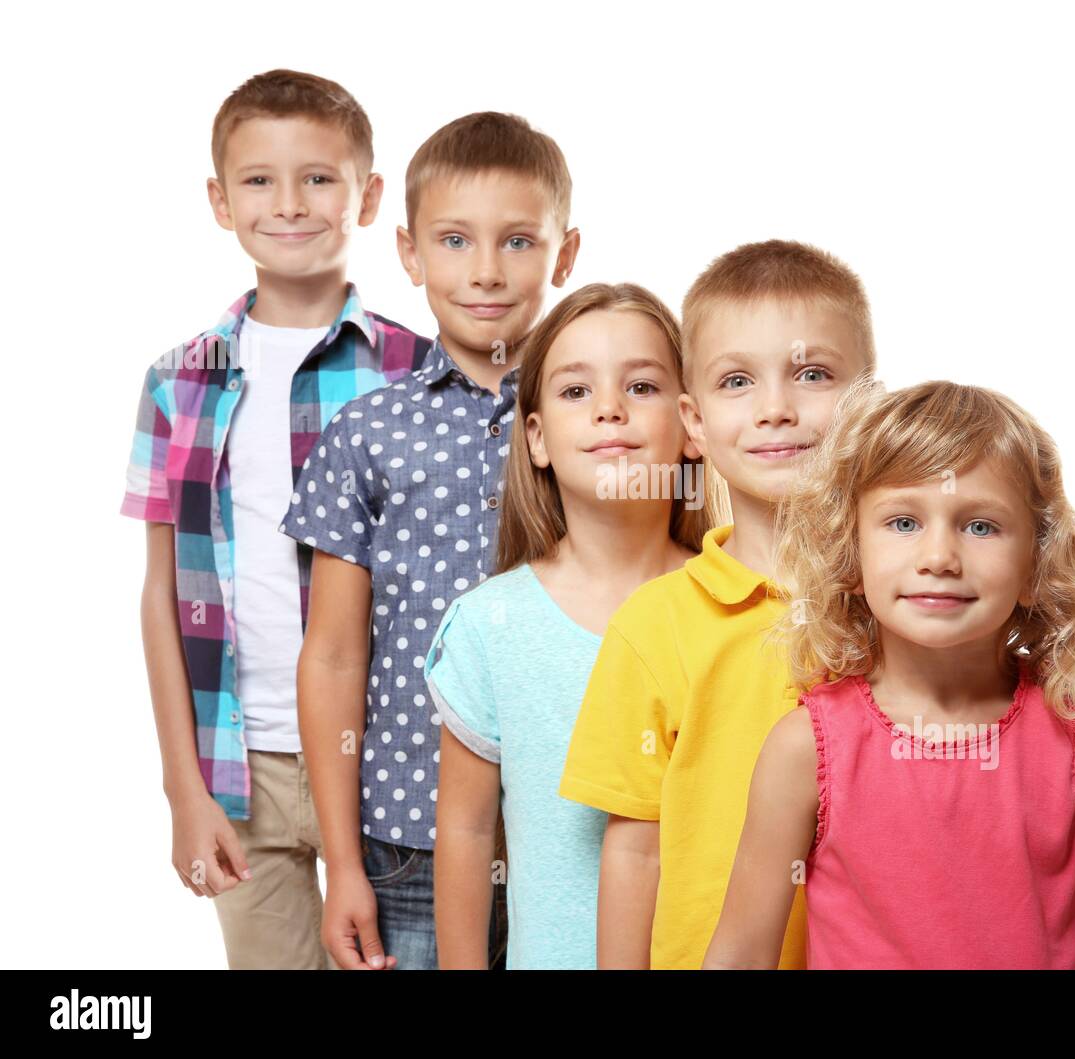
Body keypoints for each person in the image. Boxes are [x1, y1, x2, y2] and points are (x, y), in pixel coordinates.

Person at [704, 377, 1075, 969]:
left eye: (980, 526)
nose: (939, 557)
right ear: (850, 553)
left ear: (1036, 563)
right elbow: (740, 957)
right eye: (904, 523)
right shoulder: (805, 749)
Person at [121, 69, 430, 968]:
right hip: (238, 766)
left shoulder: (418, 370)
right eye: (258, 180)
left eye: (319, 178)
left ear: (367, 196)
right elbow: (161, 592)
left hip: (390, 760)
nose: (289, 203)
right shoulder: (176, 380)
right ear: (219, 201)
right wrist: (183, 784)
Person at [282, 112, 580, 969]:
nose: (486, 270)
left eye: (519, 241)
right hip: (407, 835)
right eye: (455, 240)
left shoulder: (596, 423)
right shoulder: (368, 432)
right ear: (410, 255)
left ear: (565, 254)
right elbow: (335, 656)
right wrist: (342, 861)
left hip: (569, 824)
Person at [559, 239, 876, 968]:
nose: (776, 409)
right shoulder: (654, 625)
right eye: (738, 381)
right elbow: (635, 850)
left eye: (812, 374)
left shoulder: (913, 609)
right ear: (694, 424)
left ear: (869, 406)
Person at [428, 283, 726, 968]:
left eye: (642, 385)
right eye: (574, 391)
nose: (609, 409)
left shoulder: (735, 606)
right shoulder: (488, 624)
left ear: (690, 425)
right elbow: (467, 834)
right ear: (535, 438)